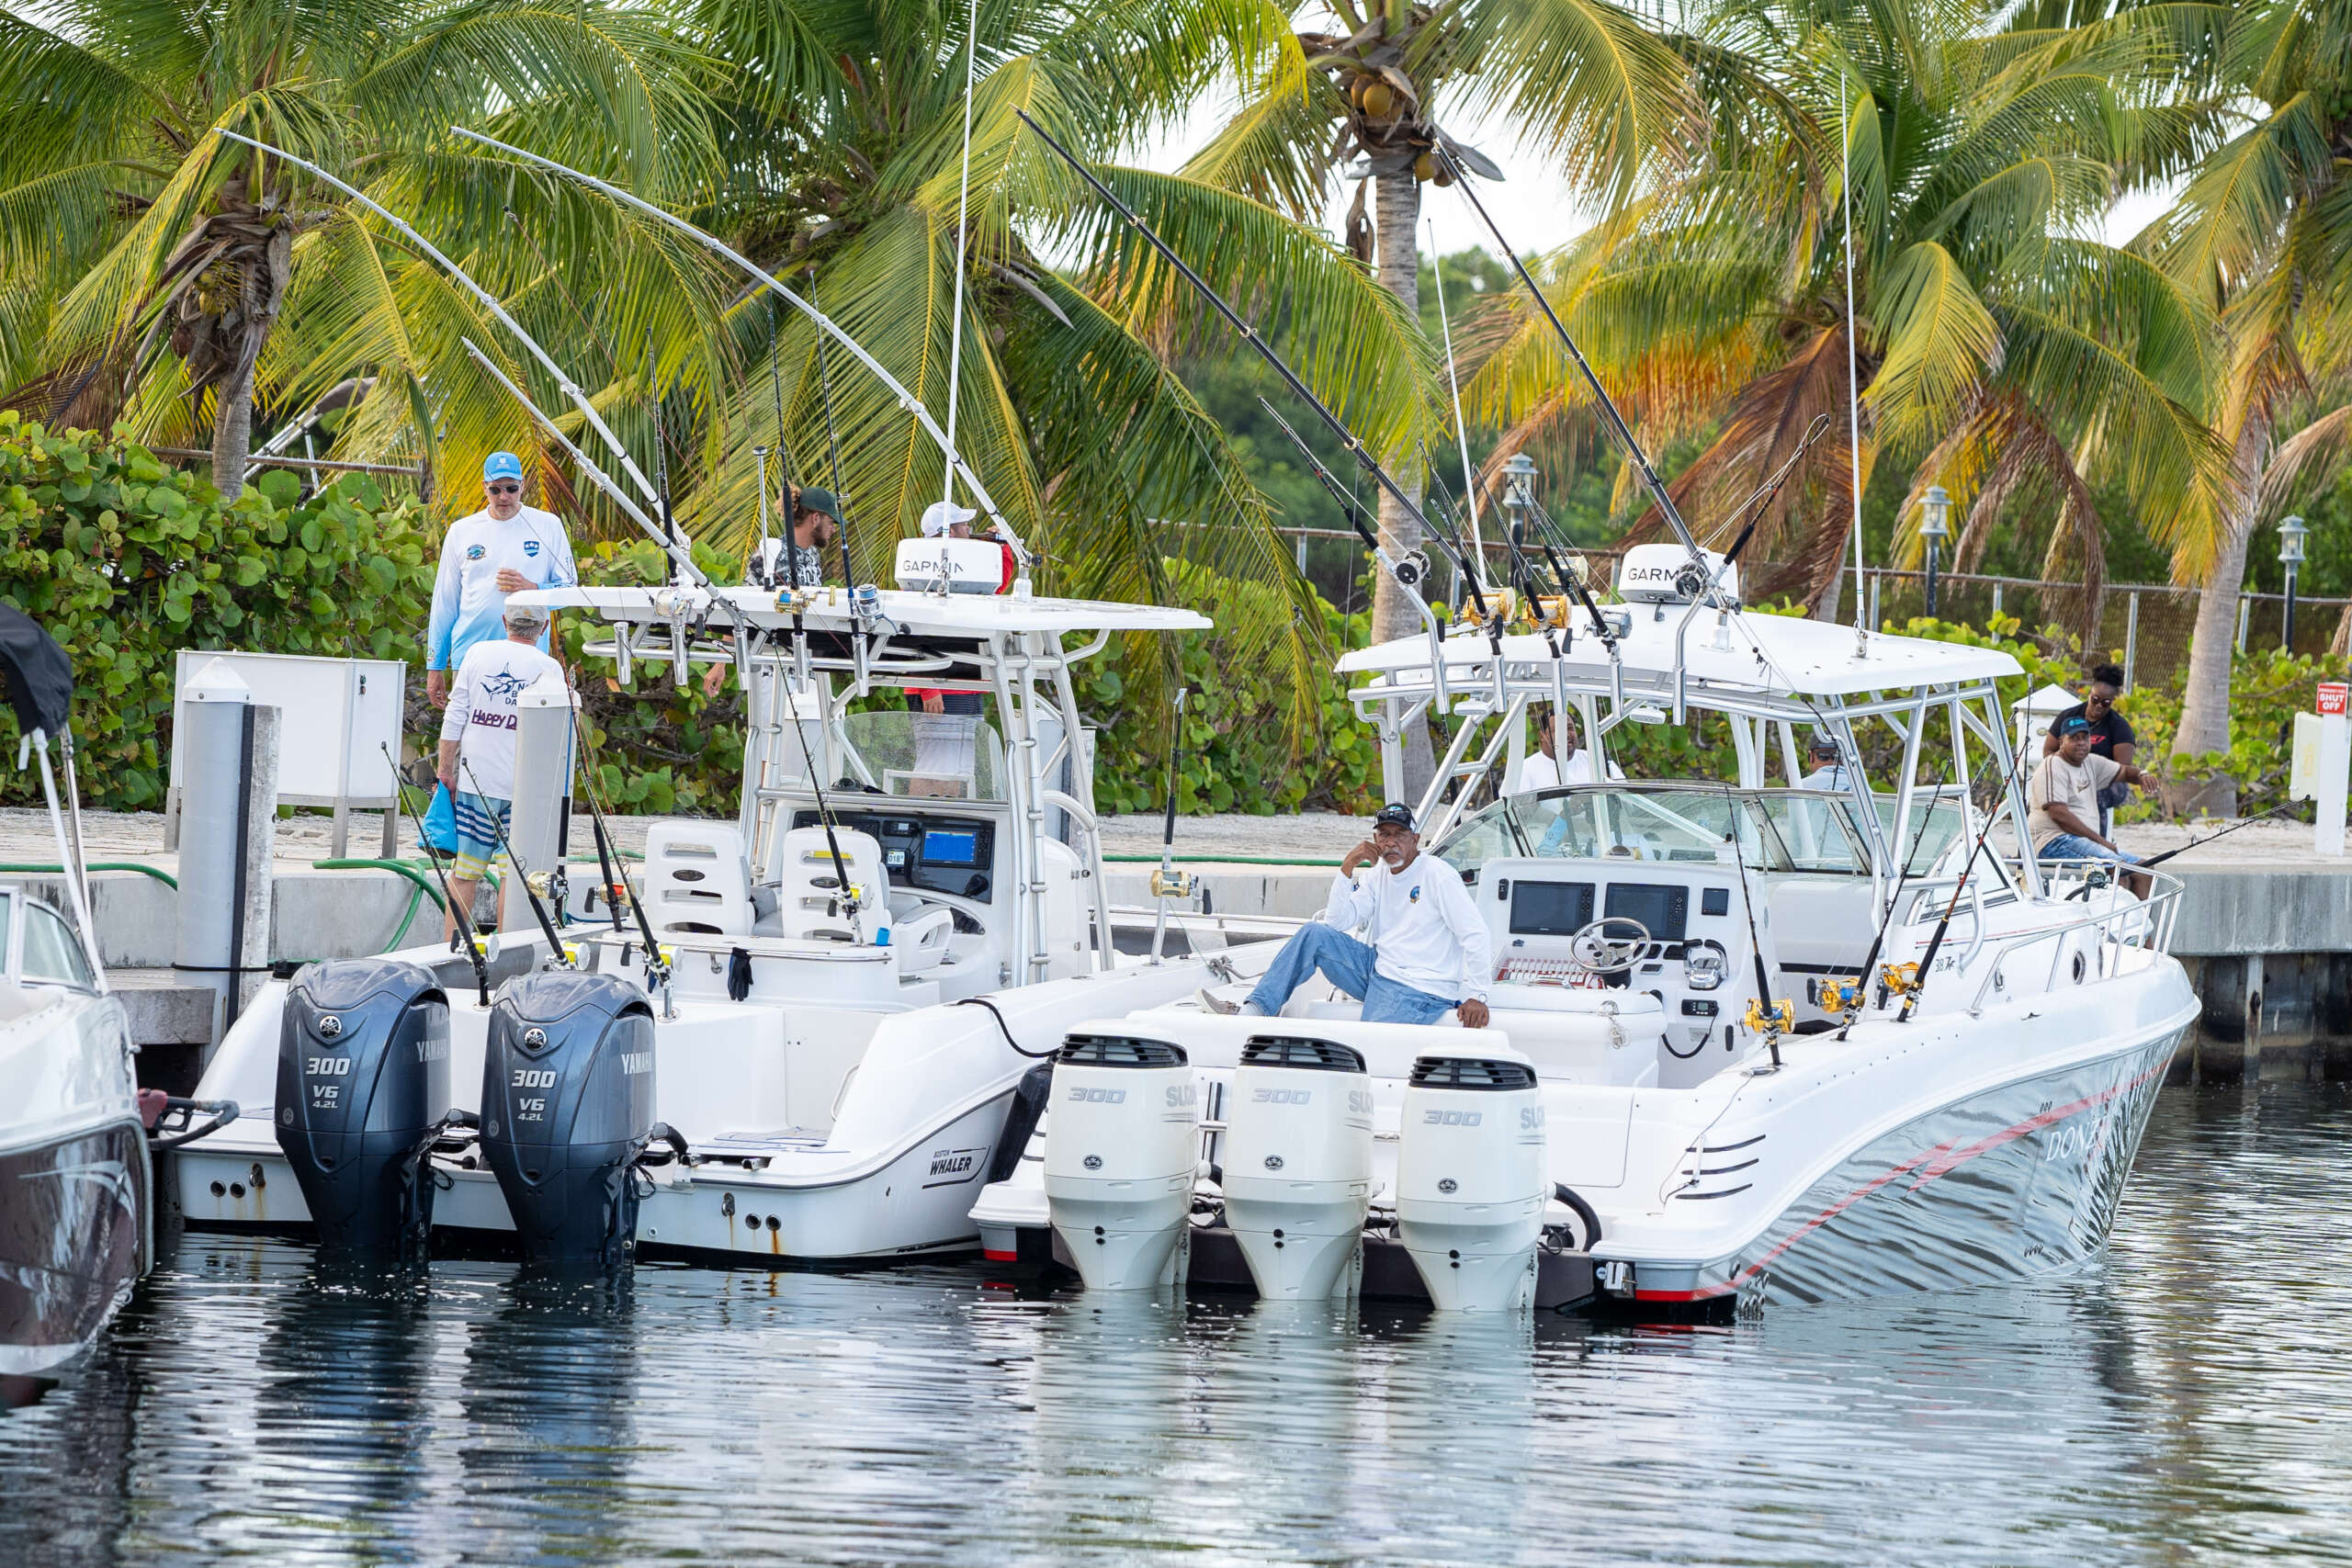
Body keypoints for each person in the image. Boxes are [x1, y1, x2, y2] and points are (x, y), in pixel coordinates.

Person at [1202, 804, 1491, 1027]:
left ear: (1415, 839)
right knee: (1314, 934)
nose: (1391, 843)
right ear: (1375, 838)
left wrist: (1478, 996)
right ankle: (1253, 1012)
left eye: (1399, 835)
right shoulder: (1378, 874)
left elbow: (1475, 934)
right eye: (1384, 835)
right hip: (1378, 969)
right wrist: (1348, 866)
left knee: (1367, 1045)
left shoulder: (1438, 875)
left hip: (1418, 987)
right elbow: (1337, 923)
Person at [423, 453, 576, 850]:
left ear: (522, 486)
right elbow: (445, 603)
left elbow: (571, 589)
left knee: (516, 742)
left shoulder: (546, 525)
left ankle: (518, 831)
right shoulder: (462, 531)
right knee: (464, 737)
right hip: (471, 654)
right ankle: (451, 834)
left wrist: (530, 588)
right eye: (496, 489)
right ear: (484, 488)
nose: (504, 496)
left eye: (511, 488)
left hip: (526, 655)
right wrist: (435, 665)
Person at [438, 602, 569, 942]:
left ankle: (450, 949)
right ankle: (507, 952)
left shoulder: (478, 654)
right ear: (543, 629)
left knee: (464, 873)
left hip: (474, 781)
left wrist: (444, 770)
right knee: (514, 876)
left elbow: (455, 716)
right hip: (523, 790)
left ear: (504, 621)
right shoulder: (549, 667)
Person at [2028, 715, 2154, 898]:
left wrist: (2142, 774)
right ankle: (2112, 923)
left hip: (2084, 842)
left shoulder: (2091, 762)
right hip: (2054, 841)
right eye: (2074, 738)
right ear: (2062, 741)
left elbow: (2125, 771)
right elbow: (2059, 814)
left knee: (2144, 868)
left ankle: (2139, 924)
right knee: (2117, 867)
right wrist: (2101, 842)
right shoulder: (2052, 766)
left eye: (2084, 737)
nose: (2081, 743)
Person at [2041, 663, 2137, 835]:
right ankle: (2028, 855)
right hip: (2068, 776)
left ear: (2112, 702)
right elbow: (2048, 751)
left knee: (2094, 797)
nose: (2099, 705)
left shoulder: (2119, 726)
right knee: (2039, 799)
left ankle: (2097, 849)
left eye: (2106, 703)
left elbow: (2122, 770)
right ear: (2090, 694)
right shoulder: (2068, 716)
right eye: (2096, 699)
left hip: (2107, 781)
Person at [1515, 706, 1598, 791]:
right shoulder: (1524, 770)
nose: (1566, 734)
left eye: (1570, 728)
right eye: (1557, 729)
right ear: (1542, 736)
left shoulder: (1594, 760)